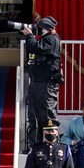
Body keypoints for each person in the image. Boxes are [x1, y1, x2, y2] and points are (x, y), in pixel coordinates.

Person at [21, 16, 61, 146]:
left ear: (47, 29)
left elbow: (36, 47)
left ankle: (51, 144)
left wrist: (29, 36)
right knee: (33, 115)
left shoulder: (52, 40)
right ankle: (35, 145)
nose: (37, 30)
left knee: (48, 115)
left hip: (47, 84)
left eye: (40, 28)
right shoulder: (44, 39)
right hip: (36, 83)